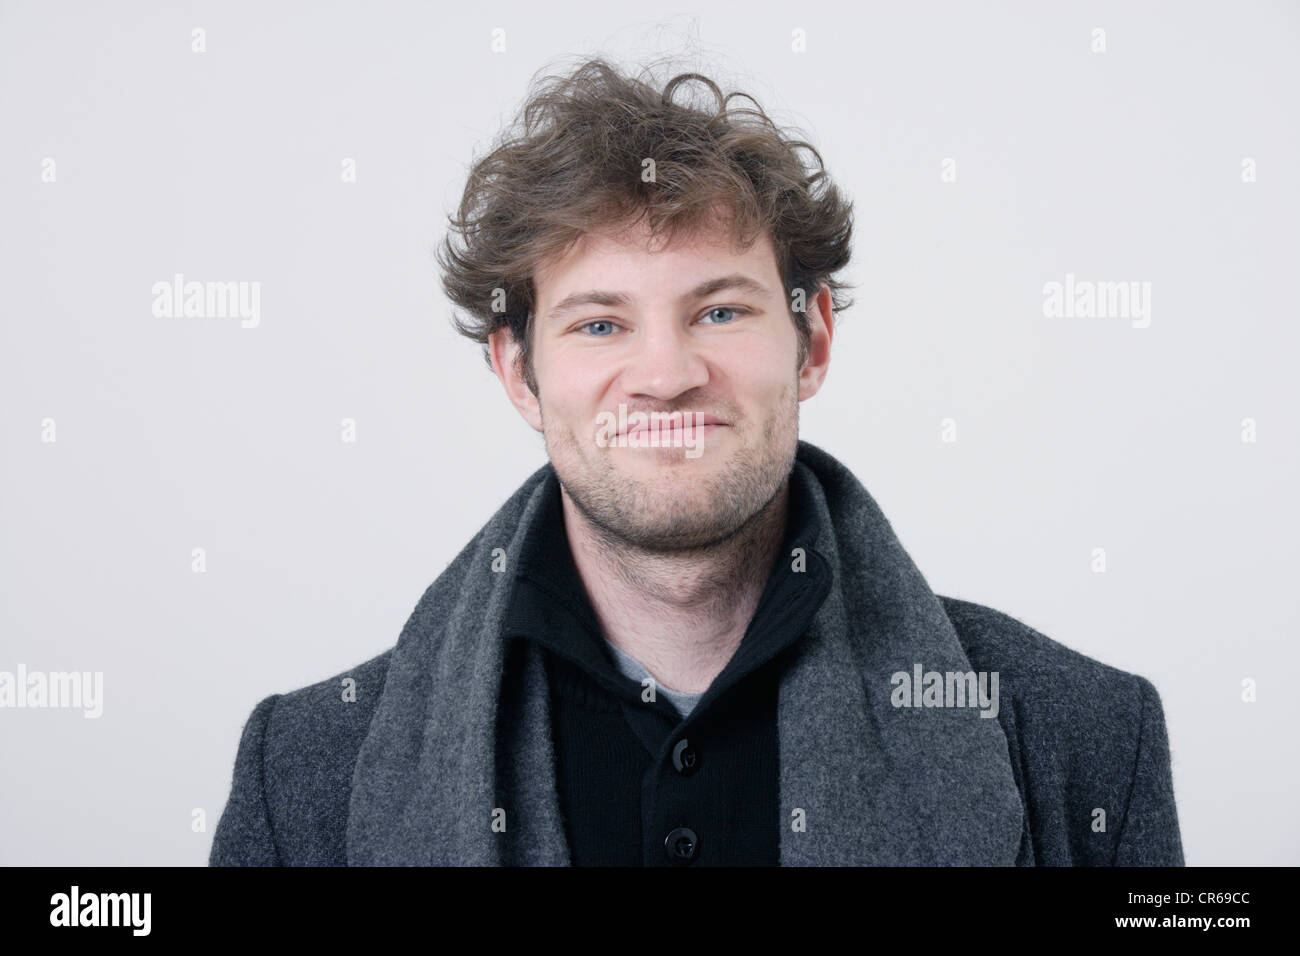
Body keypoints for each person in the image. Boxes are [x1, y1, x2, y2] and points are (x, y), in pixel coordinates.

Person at [210, 57, 1183, 866]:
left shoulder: (1081, 739)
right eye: (600, 322)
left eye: (719, 309)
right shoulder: (306, 771)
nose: (666, 374)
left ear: (813, 340)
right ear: (519, 370)